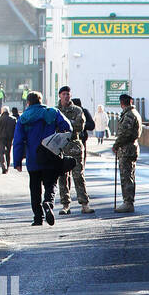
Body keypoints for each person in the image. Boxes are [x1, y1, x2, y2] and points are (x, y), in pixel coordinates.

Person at [12, 90, 71, 226]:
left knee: (34, 187)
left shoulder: (23, 118)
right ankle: (48, 203)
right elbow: (67, 127)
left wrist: (17, 161)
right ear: (41, 101)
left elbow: (18, 141)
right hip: (51, 154)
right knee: (51, 183)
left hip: (33, 157)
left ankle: (38, 218)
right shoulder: (52, 112)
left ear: (28, 103)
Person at [56, 86, 94, 214]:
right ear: (60, 96)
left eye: (68, 94)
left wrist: (64, 125)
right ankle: (65, 204)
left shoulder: (77, 110)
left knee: (78, 176)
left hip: (75, 147)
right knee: (62, 177)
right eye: (64, 94)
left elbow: (79, 126)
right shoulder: (55, 111)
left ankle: (84, 203)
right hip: (60, 147)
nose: (66, 96)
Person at [112, 94, 142, 213]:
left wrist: (116, 145)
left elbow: (125, 133)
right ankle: (128, 201)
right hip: (131, 147)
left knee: (126, 176)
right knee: (130, 175)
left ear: (121, 103)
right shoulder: (134, 113)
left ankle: (128, 202)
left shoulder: (129, 115)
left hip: (127, 148)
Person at [0, 105, 15, 172]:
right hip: (10, 138)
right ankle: (7, 167)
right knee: (8, 153)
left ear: (2, 111)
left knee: (1, 153)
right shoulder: (13, 119)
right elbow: (16, 130)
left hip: (1, 138)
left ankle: (3, 166)